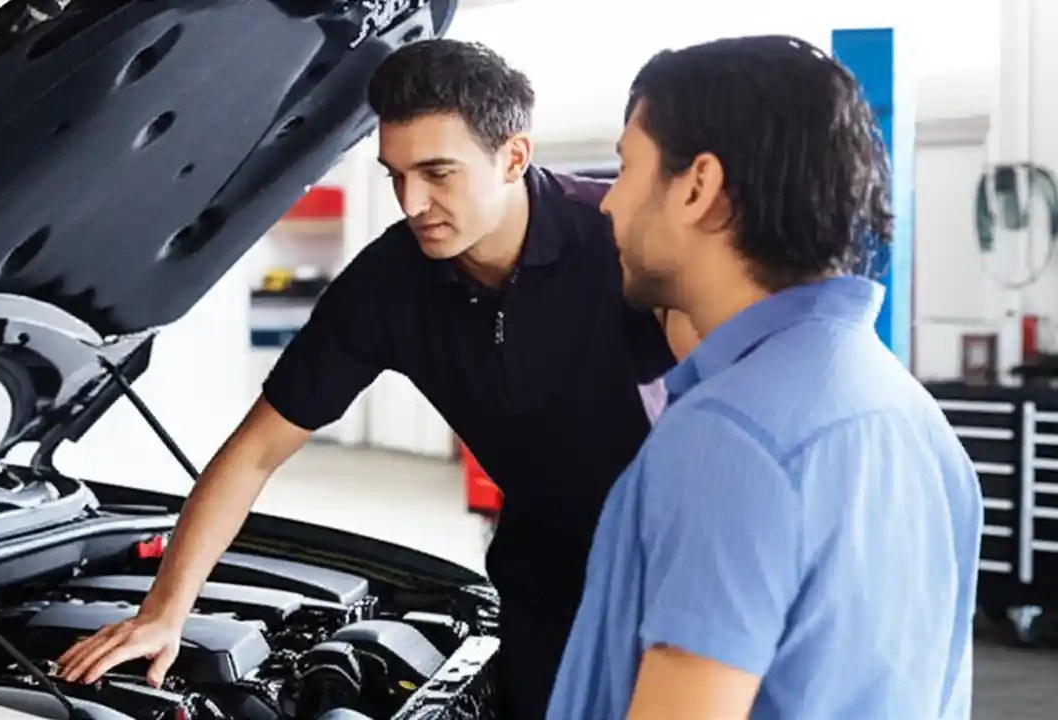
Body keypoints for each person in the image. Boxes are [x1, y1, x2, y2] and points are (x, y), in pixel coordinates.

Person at [55, 38, 682, 718]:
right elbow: (255, 451)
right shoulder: (389, 285)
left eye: (438, 173)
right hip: (544, 583)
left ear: (514, 158)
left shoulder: (621, 240)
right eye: (396, 175)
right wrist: (165, 612)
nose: (412, 204)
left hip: (680, 564)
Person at [545, 34, 984, 720]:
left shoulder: (728, 440)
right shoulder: (911, 414)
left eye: (627, 168)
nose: (606, 203)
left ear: (699, 187)